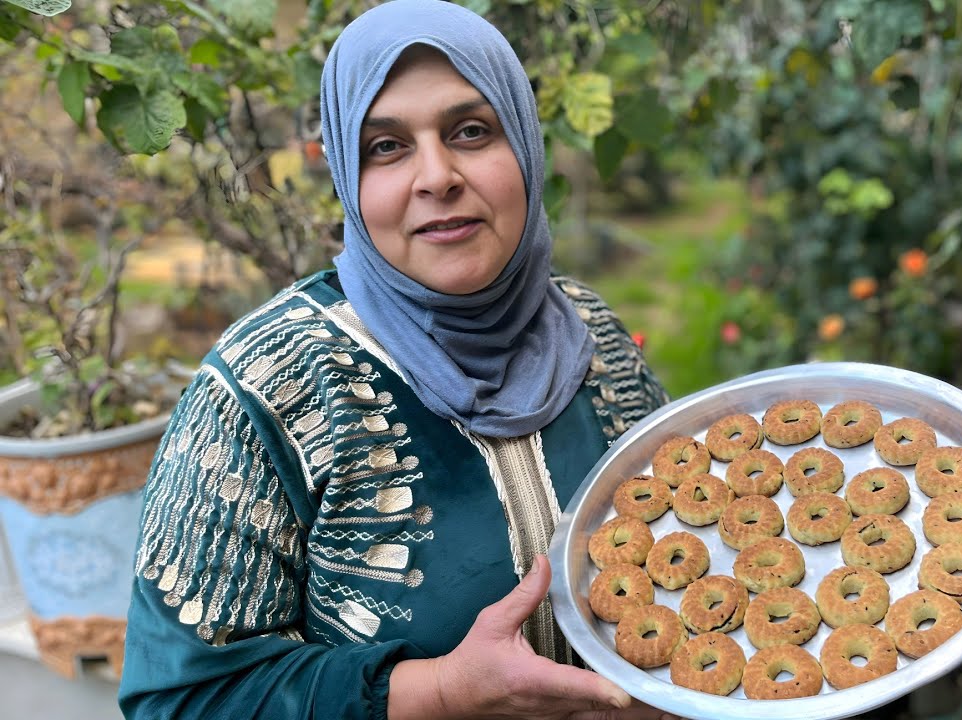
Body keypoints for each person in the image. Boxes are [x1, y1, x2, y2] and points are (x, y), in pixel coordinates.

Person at [117, 1, 671, 717]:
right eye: (386, 147)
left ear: (526, 147)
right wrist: (438, 694)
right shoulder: (267, 386)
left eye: (472, 131)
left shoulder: (592, 335)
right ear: (347, 175)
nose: (436, 176)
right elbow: (177, 699)